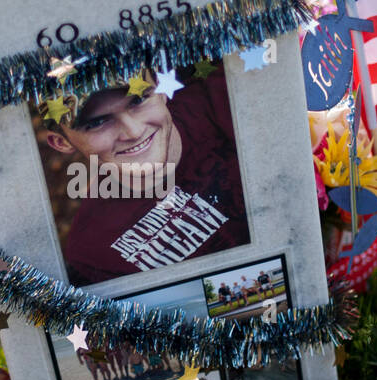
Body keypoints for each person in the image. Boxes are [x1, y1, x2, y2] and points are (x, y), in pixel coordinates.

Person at [40, 64, 249, 285]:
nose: (134, 131)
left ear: (159, 88)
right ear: (62, 142)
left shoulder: (229, 96)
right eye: (97, 122)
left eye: (138, 100)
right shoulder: (94, 249)